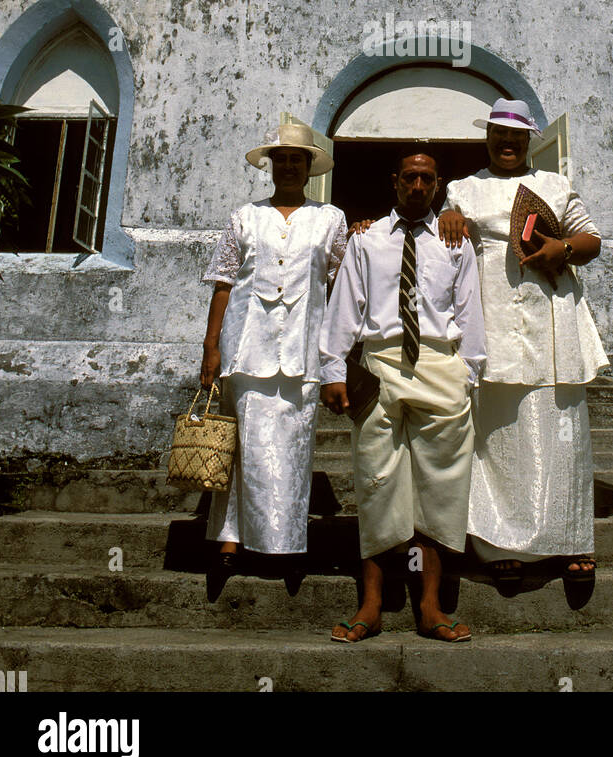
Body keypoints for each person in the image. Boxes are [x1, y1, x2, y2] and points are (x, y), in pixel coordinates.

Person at [437, 98, 607, 601]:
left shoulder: (555, 186)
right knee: (497, 430)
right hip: (490, 314)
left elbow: (592, 239)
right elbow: (446, 239)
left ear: (530, 140)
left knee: (559, 428)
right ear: (487, 136)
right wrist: (448, 218)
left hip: (552, 314)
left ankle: (572, 539)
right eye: (498, 135)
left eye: (516, 137)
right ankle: (497, 542)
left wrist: (566, 249)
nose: (507, 144)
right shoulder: (462, 189)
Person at [320, 148, 486, 643]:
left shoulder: (455, 242)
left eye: (427, 180)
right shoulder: (366, 240)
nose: (418, 186)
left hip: (439, 363)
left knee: (442, 487)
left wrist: (468, 374)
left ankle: (430, 606)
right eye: (410, 178)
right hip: (382, 363)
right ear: (395, 182)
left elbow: (470, 313)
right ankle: (371, 603)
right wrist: (332, 368)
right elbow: (345, 306)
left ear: (438, 187)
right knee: (376, 480)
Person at [200, 120, 348, 587]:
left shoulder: (330, 219)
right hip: (247, 347)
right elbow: (224, 282)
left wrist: (337, 357)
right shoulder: (245, 216)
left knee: (293, 447)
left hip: (302, 351)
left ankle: (286, 542)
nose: (288, 166)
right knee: (242, 444)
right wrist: (210, 346)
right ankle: (229, 539)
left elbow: (344, 285)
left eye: (296, 159)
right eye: (280, 158)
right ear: (270, 165)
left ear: (308, 168)